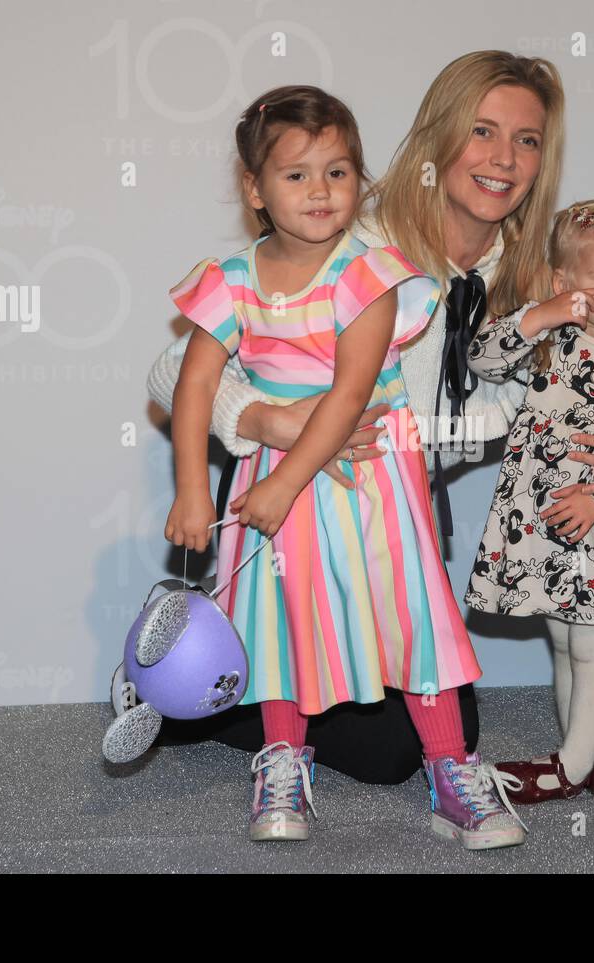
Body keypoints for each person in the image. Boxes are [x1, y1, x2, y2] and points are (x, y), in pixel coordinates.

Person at [147, 51, 594, 784]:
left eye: (526, 140)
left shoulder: (541, 282)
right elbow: (171, 373)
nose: (503, 158)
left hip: (389, 508)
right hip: (288, 498)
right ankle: (186, 689)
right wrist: (280, 423)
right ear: (438, 140)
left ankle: (215, 677)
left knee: (422, 741)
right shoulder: (350, 237)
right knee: (368, 728)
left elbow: (568, 403)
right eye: (482, 132)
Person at [164, 84, 526, 849]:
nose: (321, 191)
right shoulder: (230, 276)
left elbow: (353, 389)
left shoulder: (370, 273)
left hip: (371, 480)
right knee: (281, 618)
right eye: (296, 175)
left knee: (411, 617)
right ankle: (284, 758)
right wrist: (195, 488)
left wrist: (285, 478)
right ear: (254, 189)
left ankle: (452, 771)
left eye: (338, 172)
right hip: (273, 475)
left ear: (359, 178)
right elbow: (193, 380)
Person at [463, 200, 594, 803]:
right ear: (567, 285)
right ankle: (579, 746)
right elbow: (482, 355)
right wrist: (539, 315)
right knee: (561, 639)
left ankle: (572, 767)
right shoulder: (547, 343)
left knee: (592, 645)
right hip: (539, 520)